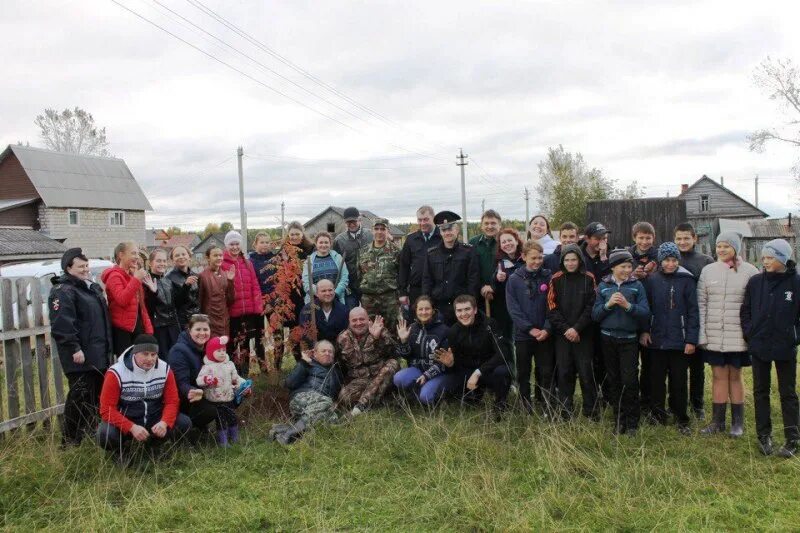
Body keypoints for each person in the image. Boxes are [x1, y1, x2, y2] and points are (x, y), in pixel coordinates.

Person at [741, 239, 800, 457]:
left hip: (785, 346)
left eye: (770, 258)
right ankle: (764, 436)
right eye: (764, 257)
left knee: (788, 393)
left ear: (782, 260)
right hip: (760, 345)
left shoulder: (795, 282)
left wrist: (795, 336)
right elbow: (745, 310)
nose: (765, 261)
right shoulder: (756, 282)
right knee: (760, 391)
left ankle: (792, 439)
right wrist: (750, 332)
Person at [49, 247, 113, 447]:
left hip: (98, 354)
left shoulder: (88, 288)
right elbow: (62, 324)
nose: (85, 269)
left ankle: (89, 434)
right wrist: (74, 348)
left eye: (86, 265)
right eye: (80, 266)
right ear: (68, 268)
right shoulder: (64, 291)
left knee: (94, 397)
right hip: (81, 356)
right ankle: (69, 441)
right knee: (79, 397)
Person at [697, 232, 759, 437]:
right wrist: (702, 334)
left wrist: (750, 334)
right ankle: (717, 422)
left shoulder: (750, 272)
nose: (721, 250)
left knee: (735, 376)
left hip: (738, 335)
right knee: (717, 376)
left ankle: (737, 423)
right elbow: (701, 304)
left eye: (726, 246)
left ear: (735, 248)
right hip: (714, 334)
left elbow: (755, 306)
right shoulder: (708, 271)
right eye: (719, 246)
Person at [96, 334, 191, 463]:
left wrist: (164, 422)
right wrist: (131, 427)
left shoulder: (165, 369)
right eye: (145, 354)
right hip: (128, 418)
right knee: (105, 434)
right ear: (135, 353)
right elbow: (106, 409)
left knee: (184, 423)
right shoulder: (116, 372)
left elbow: (172, 401)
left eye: (153, 354)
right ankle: (121, 451)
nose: (150, 359)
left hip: (154, 418)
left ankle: (154, 445)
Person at [640, 242, 699, 435]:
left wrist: (691, 339)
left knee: (679, 381)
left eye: (674, 260)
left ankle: (681, 416)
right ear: (660, 261)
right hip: (656, 340)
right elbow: (646, 309)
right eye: (667, 260)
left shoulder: (687, 280)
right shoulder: (652, 280)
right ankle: (658, 415)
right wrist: (645, 331)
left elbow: (693, 311)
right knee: (657, 380)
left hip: (679, 341)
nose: (671, 264)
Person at [592, 249, 651, 436]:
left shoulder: (636, 286)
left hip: (629, 340)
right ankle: (619, 420)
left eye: (629, 266)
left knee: (629, 380)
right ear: (613, 268)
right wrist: (608, 305)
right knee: (614, 380)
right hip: (607, 339)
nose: (627, 270)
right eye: (623, 267)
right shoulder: (603, 286)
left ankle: (632, 422)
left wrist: (628, 306)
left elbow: (645, 313)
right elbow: (595, 315)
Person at [436, 295, 512, 415]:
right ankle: (474, 394)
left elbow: (503, 354)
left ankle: (500, 403)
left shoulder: (490, 324)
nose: (464, 314)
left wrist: (478, 372)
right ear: (455, 313)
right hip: (468, 371)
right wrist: (451, 363)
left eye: (467, 309)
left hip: (487, 370)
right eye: (459, 310)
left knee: (503, 371)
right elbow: (457, 361)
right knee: (463, 396)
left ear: (475, 310)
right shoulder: (453, 332)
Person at [547, 243, 597, 420]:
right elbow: (552, 308)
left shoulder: (589, 278)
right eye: (567, 260)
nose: (570, 263)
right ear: (562, 261)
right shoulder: (556, 279)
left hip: (584, 334)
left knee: (586, 372)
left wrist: (577, 328)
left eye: (573, 259)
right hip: (563, 335)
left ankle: (591, 411)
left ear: (579, 260)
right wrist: (567, 329)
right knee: (564, 372)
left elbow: (592, 306)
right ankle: (566, 411)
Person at [506, 240, 554, 415]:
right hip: (523, 335)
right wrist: (528, 328)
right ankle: (525, 402)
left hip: (544, 334)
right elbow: (513, 308)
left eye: (540, 258)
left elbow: (552, 305)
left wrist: (547, 328)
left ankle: (545, 401)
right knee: (524, 371)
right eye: (533, 258)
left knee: (545, 370)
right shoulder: (514, 280)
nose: (537, 261)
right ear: (524, 257)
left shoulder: (549, 277)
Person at [674, 222, 714, 419]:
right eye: (679, 239)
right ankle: (677, 402)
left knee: (697, 367)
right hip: (675, 320)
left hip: (697, 317)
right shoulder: (671, 259)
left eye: (686, 238)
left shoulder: (705, 260)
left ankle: (697, 405)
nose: (683, 242)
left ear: (694, 239)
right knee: (678, 367)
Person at [271, 340, 344, 445]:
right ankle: (289, 433)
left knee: (333, 420)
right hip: (303, 397)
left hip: (320, 406)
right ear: (315, 353)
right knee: (326, 403)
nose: (327, 353)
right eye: (323, 351)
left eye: (330, 351)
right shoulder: (308, 364)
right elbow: (289, 383)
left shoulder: (336, 372)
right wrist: (304, 362)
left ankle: (282, 430)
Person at [265, 222, 315, 368]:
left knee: (298, 331)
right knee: (278, 331)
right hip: (284, 296)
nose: (294, 237)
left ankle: (301, 362)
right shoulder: (283, 250)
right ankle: (277, 365)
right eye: (291, 234)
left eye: (297, 234)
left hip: (301, 297)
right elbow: (275, 272)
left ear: (302, 234)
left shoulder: (310, 250)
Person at [336, 308, 399, 416]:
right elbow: (340, 364)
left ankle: (360, 408)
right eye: (354, 320)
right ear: (349, 322)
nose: (358, 323)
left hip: (382, 375)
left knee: (392, 364)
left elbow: (393, 353)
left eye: (362, 319)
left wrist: (377, 338)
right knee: (344, 397)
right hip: (360, 380)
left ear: (368, 319)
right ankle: (383, 400)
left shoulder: (379, 329)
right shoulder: (342, 338)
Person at [421, 211, 480, 326]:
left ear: (457, 229)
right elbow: (427, 280)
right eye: (444, 230)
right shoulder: (432, 254)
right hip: (439, 307)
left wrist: (471, 305)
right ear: (440, 232)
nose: (447, 232)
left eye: (450, 229)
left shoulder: (468, 251)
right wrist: (427, 304)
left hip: (461, 308)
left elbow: (473, 280)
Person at [392, 296, 451, 405]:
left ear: (433, 310)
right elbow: (406, 356)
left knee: (426, 397)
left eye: (427, 309)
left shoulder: (444, 331)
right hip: (418, 370)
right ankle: (416, 392)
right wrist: (403, 341)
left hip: (439, 373)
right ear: (416, 311)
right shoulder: (412, 328)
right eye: (420, 309)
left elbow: (444, 364)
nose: (424, 312)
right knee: (398, 378)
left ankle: (442, 396)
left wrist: (427, 375)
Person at [221, 230, 264, 376]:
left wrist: (258, 306)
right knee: (234, 344)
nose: (234, 247)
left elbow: (255, 285)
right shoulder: (222, 264)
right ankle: (235, 374)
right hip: (233, 313)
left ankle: (246, 373)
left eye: (237, 244)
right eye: (231, 244)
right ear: (227, 246)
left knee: (248, 344)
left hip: (249, 312)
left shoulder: (247, 262)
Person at [101, 242, 154, 356]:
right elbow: (122, 300)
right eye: (133, 253)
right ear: (121, 255)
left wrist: (148, 328)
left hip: (137, 327)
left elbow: (140, 306)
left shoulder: (131, 274)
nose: (137, 257)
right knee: (127, 365)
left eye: (138, 254)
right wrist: (136, 279)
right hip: (123, 330)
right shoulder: (114, 276)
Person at [628, 222, 658, 417]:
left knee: (650, 365)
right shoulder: (627, 256)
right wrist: (633, 274)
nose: (644, 241)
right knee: (631, 365)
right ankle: (633, 400)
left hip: (652, 316)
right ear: (634, 238)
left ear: (653, 239)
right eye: (641, 237)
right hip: (630, 316)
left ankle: (648, 401)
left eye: (648, 238)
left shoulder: (659, 257)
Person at [580, 222, 611, 405]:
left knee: (604, 356)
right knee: (588, 358)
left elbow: (608, 279)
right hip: (584, 312)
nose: (602, 241)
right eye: (598, 238)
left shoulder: (608, 255)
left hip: (603, 312)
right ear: (587, 239)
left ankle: (606, 393)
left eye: (605, 238)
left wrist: (604, 257)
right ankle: (591, 395)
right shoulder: (579, 256)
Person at [196, 336, 246, 447]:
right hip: (216, 399)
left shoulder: (229, 364)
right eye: (218, 351)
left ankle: (234, 437)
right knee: (221, 421)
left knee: (233, 418)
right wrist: (207, 380)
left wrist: (242, 384)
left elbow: (236, 378)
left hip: (229, 397)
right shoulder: (207, 367)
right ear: (210, 352)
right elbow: (199, 380)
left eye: (223, 350)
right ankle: (223, 442)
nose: (222, 353)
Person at [398, 205, 442, 316]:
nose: (422, 223)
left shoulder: (442, 237)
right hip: (416, 290)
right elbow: (404, 266)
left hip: (437, 289)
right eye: (420, 220)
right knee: (416, 322)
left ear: (434, 218)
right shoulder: (411, 239)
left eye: (426, 219)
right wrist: (403, 292)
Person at [359, 218, 401, 331]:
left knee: (393, 329)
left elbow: (401, 274)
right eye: (376, 228)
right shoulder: (363, 251)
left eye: (382, 229)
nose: (379, 231)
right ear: (372, 230)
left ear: (387, 231)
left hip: (390, 299)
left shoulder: (396, 251)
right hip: (369, 299)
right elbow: (358, 274)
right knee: (369, 330)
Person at [332, 206, 373, 309]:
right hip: (350, 286)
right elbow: (336, 264)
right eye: (348, 222)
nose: (351, 224)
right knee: (351, 316)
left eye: (353, 221)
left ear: (359, 219)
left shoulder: (370, 235)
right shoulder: (339, 240)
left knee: (371, 315)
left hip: (370, 285)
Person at [144, 248, 181, 358]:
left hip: (173, 326)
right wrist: (152, 293)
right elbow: (148, 308)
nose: (162, 264)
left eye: (164, 261)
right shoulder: (146, 281)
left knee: (175, 356)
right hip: (159, 328)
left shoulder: (168, 280)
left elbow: (176, 304)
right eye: (159, 261)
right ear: (151, 263)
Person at [491, 228, 525, 339]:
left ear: (516, 241)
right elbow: (495, 284)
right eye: (503, 242)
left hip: (525, 306)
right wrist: (497, 278)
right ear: (500, 246)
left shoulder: (525, 258)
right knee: (507, 339)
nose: (507, 244)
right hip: (508, 308)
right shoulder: (500, 262)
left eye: (509, 240)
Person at [469, 209, 501, 319]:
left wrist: (493, 287)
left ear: (499, 225)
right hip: (479, 294)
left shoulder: (505, 242)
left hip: (501, 294)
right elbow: (470, 269)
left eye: (493, 223)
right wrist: (482, 287)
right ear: (481, 226)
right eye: (486, 223)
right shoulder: (473, 243)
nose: (489, 226)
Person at [302, 232, 349, 305]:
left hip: (336, 299)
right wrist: (320, 294)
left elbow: (344, 277)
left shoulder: (338, 258)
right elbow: (306, 282)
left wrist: (335, 293)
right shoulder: (309, 261)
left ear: (330, 244)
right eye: (321, 242)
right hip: (315, 301)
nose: (323, 245)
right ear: (316, 244)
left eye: (326, 242)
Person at [199, 246, 235, 337]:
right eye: (215, 255)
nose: (219, 258)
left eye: (220, 255)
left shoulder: (224, 274)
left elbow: (230, 300)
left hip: (224, 320)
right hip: (210, 319)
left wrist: (230, 282)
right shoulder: (202, 276)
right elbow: (199, 301)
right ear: (208, 258)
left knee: (223, 347)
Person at [298, 279, 348, 345]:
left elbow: (347, 331)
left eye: (330, 290)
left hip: (338, 348)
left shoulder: (343, 309)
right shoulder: (308, 309)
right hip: (315, 349)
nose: (327, 293)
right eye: (323, 291)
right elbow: (304, 332)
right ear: (317, 293)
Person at [167, 246, 200, 330]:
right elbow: (175, 303)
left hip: (197, 317)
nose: (181, 257)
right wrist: (186, 286)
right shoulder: (169, 278)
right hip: (182, 321)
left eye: (183, 254)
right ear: (172, 260)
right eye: (177, 255)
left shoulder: (195, 275)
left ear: (189, 257)